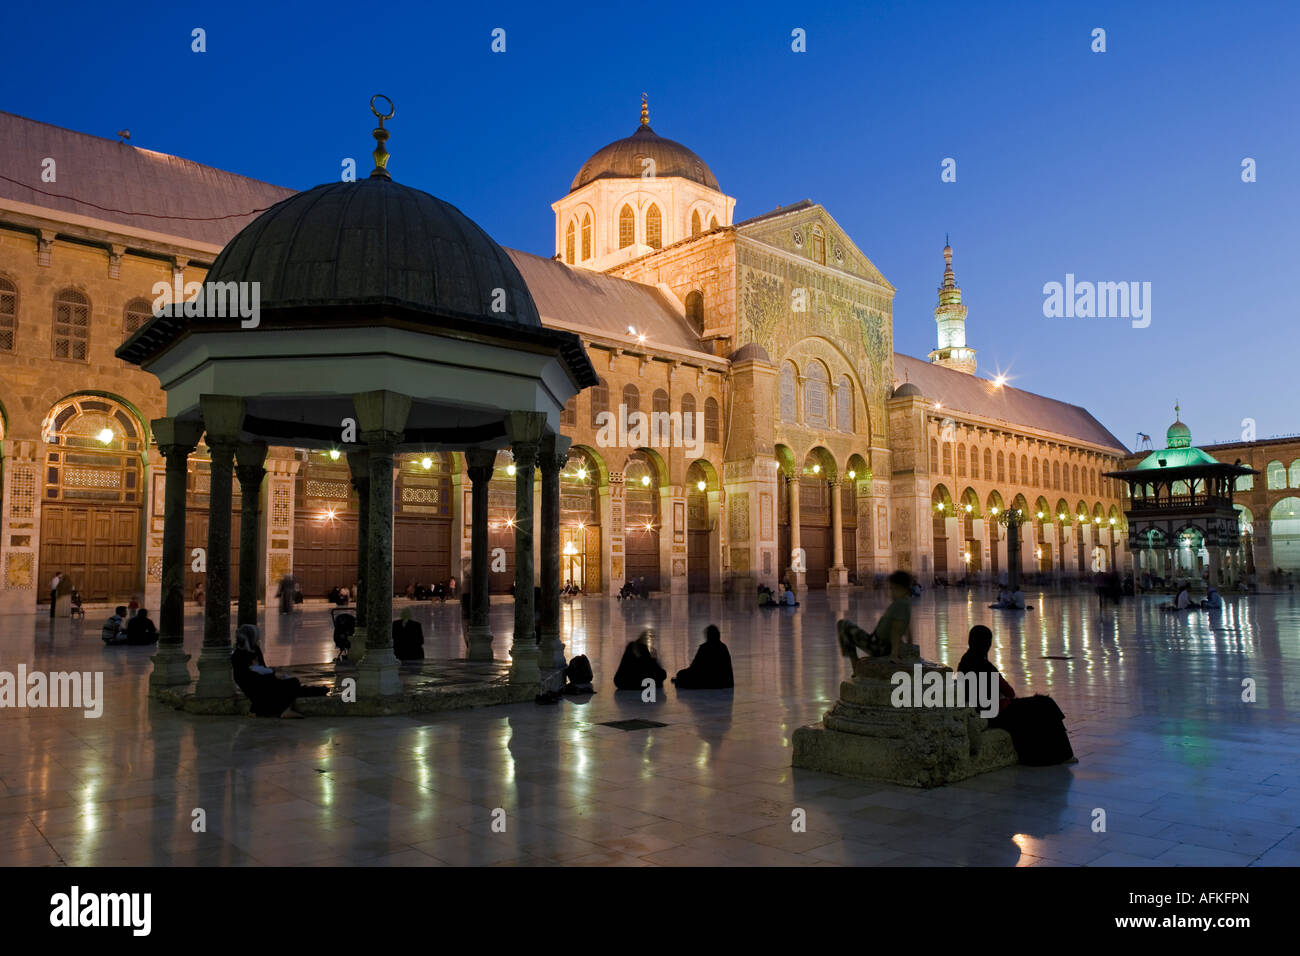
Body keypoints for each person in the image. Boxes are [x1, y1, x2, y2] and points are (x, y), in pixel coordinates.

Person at [957, 625, 1075, 766]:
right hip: (999, 712)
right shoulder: (984, 665)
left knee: (1042, 704)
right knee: (1045, 703)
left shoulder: (965, 662)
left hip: (986, 711)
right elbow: (1010, 692)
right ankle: (1064, 754)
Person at [231, 625, 326, 718]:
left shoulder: (255, 649)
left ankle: (257, 710)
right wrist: (273, 676)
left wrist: (273, 674)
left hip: (265, 681)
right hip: (255, 687)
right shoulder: (237, 657)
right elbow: (249, 680)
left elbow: (263, 668)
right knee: (292, 683)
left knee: (295, 685)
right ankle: (281, 711)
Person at [838, 570, 914, 661]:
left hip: (878, 647)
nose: (891, 592)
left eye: (894, 589)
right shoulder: (905, 603)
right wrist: (910, 647)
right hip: (882, 644)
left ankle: (855, 663)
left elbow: (896, 631)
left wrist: (894, 655)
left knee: (842, 624)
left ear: (903, 589)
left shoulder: (899, 604)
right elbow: (907, 628)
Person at [673, 625, 734, 689]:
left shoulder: (704, 648)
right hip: (725, 682)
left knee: (681, 674)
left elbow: (694, 668)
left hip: (709, 681)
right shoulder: (723, 647)